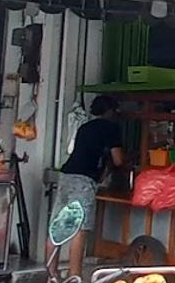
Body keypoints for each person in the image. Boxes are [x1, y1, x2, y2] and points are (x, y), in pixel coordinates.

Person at [52, 96, 125, 273]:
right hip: (83, 181)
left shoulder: (84, 127)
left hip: (66, 176)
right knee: (79, 229)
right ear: (110, 111)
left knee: (59, 227)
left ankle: (51, 276)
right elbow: (118, 160)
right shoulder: (111, 128)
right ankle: (74, 277)